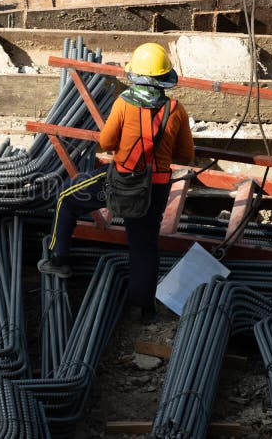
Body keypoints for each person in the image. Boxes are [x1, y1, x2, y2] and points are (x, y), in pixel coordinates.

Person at [38, 43, 195, 323]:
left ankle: (58, 260)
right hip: (155, 189)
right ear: (163, 78)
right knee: (144, 246)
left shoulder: (124, 103)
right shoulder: (176, 110)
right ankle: (143, 310)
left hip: (121, 183)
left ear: (136, 76)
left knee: (67, 199)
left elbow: (106, 142)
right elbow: (185, 155)